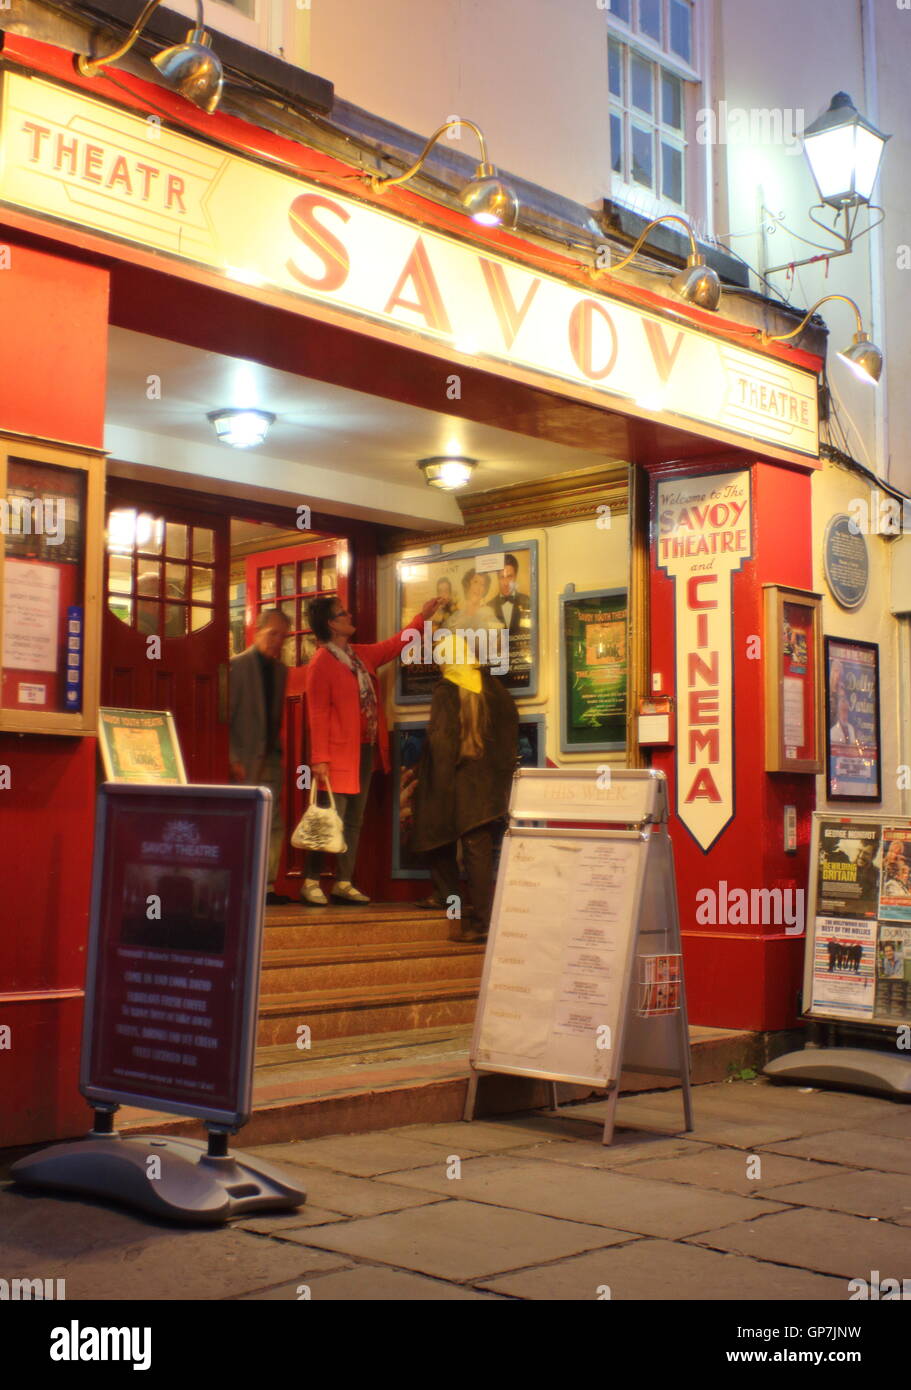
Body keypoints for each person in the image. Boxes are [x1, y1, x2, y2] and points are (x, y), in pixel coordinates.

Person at [302, 594, 439, 905]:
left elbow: (393, 645)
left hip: (363, 749)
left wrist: (422, 618)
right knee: (326, 817)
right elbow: (318, 713)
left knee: (353, 818)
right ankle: (311, 881)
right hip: (335, 754)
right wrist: (319, 759)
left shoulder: (360, 655)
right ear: (331, 624)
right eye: (343, 613)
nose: (350, 616)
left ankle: (343, 881)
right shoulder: (321, 662)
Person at [410, 635, 519, 941]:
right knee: (477, 850)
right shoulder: (492, 687)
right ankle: (479, 918)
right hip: (489, 783)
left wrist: (436, 787)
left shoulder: (447, 690)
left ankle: (463, 910)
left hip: (456, 780)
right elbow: (511, 727)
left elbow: (442, 740)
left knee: (433, 835)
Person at [229, 607, 292, 905]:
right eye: (273, 634)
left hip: (269, 758)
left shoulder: (281, 671)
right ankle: (241, 884)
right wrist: (232, 757)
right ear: (257, 632)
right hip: (243, 757)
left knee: (274, 822)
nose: (278, 641)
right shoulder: (236, 666)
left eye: (283, 636)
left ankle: (266, 886)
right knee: (243, 821)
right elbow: (225, 716)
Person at [442, 569, 505, 636]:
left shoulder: (489, 616)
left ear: (484, 590)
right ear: (467, 585)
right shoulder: (455, 618)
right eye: (475, 582)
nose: (478, 588)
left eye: (482, 584)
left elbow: (499, 640)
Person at [490, 553, 531, 635]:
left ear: (516, 577)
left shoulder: (528, 602)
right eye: (502, 577)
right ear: (497, 578)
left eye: (509, 577)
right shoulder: (489, 606)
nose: (506, 583)